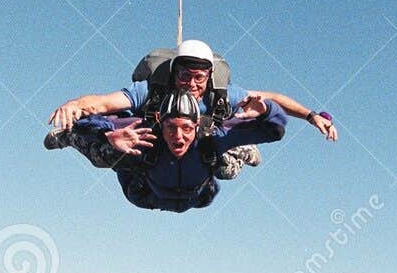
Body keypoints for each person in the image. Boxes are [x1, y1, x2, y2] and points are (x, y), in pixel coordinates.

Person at [47, 39, 337, 142]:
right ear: (174, 73)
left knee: (249, 113)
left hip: (196, 151)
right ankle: (67, 137)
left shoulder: (219, 95)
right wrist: (76, 104)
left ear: (210, 77)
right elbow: (102, 102)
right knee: (104, 126)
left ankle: (243, 150)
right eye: (185, 75)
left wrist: (312, 116)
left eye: (200, 77)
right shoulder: (150, 92)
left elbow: (274, 98)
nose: (193, 84)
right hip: (152, 144)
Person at [51, 90, 288, 213]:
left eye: (186, 128)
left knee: (226, 164)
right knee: (113, 151)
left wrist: (266, 109)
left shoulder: (211, 137)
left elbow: (275, 129)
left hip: (199, 196)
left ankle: (245, 151)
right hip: (146, 194)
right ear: (159, 124)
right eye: (170, 128)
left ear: (197, 125)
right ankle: (66, 138)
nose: (178, 136)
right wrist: (106, 136)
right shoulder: (145, 133)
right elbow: (86, 118)